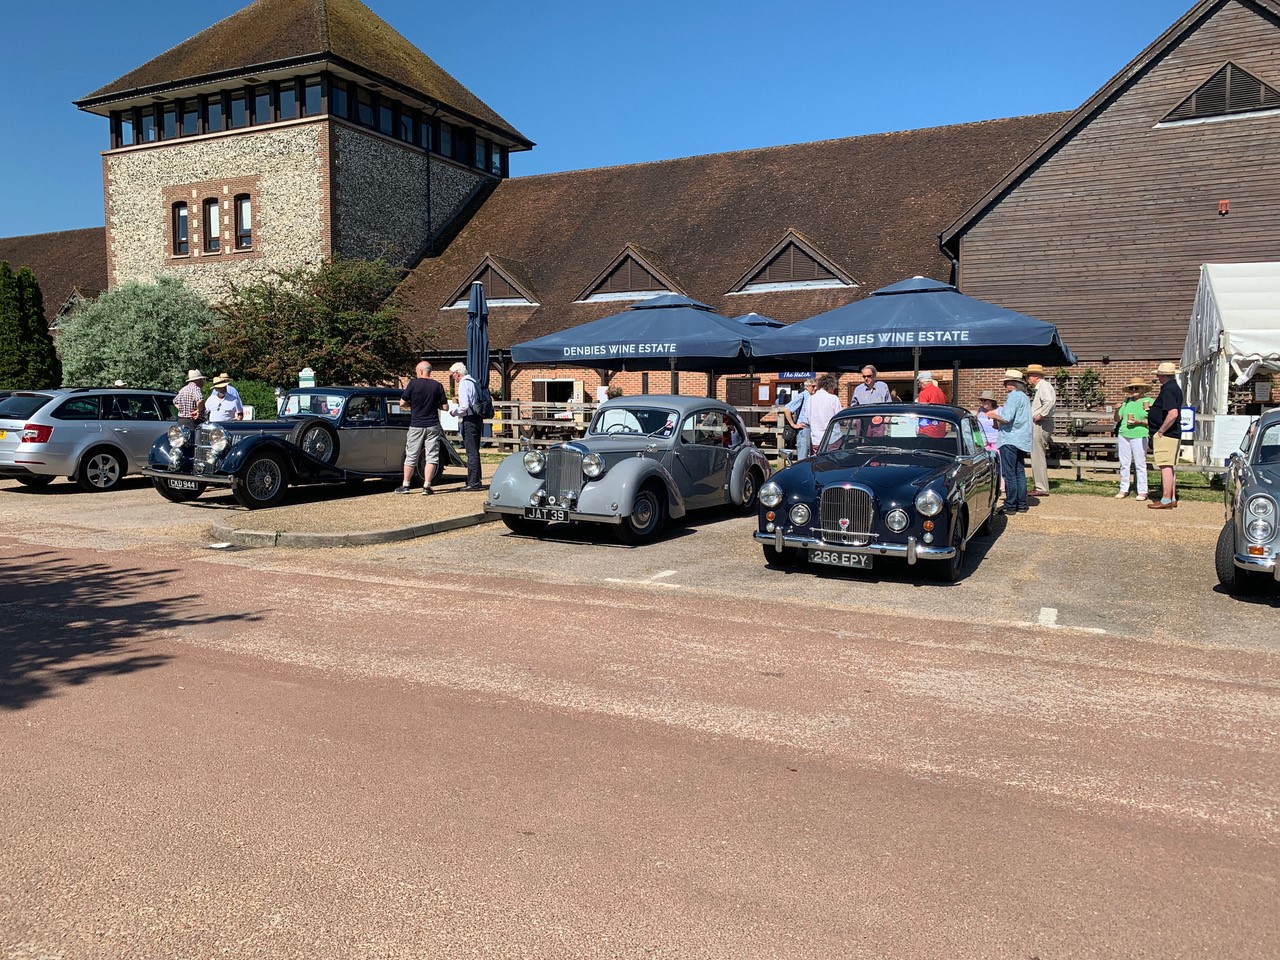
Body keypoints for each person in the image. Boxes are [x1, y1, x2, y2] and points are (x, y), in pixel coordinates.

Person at [397, 361, 447, 495]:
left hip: (416, 424)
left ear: (420, 371)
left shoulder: (413, 383)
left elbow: (402, 403)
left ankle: (406, 485)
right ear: (429, 371)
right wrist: (434, 404)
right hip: (432, 424)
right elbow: (445, 407)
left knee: (411, 455)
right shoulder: (438, 385)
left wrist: (413, 405)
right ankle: (427, 486)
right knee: (431, 456)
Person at [989, 369, 1032, 514]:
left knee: (1009, 473)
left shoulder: (1013, 397)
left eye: (1006, 382)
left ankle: (1010, 504)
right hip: (1022, 439)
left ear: (1012, 383)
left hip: (1010, 439)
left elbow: (1007, 418)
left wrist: (992, 415)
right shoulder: (1024, 397)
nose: (1004, 385)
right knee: (1019, 471)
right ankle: (1022, 503)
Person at [1147, 361, 1184, 509]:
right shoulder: (1174, 388)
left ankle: (1166, 498)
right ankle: (1171, 497)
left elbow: (1173, 413)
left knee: (1165, 466)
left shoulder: (1168, 390)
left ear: (1162, 375)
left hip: (1167, 434)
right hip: (1172, 433)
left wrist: (1161, 430)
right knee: (1168, 465)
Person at [1114, 377, 1153, 500]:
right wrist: (1116, 409)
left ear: (1143, 389)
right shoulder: (1126, 401)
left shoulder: (1149, 402)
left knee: (1140, 464)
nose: (1134, 390)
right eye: (1131, 388)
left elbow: (1153, 421)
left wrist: (1139, 422)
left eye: (1136, 388)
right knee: (1124, 463)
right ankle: (1123, 488)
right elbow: (1117, 419)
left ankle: (1142, 490)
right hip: (1124, 434)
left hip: (1140, 435)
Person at [449, 361, 485, 491]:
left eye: (453, 374)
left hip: (469, 419)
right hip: (477, 418)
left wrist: (454, 412)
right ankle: (476, 479)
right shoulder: (473, 382)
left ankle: (473, 482)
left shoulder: (464, 384)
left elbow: (464, 406)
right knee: (475, 450)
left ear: (457, 374)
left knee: (471, 451)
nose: (453, 377)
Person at [1025, 363, 1057, 497]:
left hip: (1041, 423)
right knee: (1037, 454)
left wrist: (1041, 414)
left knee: (1037, 454)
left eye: (1029, 376)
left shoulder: (1044, 386)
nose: (1027, 379)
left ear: (1035, 376)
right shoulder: (1041, 387)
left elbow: (1049, 402)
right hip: (1041, 422)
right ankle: (1040, 485)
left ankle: (1041, 487)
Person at [806, 374, 842, 453]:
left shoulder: (810, 399)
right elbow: (840, 417)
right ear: (830, 386)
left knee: (819, 463)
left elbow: (808, 419)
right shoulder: (833, 398)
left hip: (816, 439)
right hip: (833, 438)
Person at [786, 379, 816, 458]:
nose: (815, 388)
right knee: (803, 455)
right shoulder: (802, 396)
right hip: (804, 428)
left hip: (812, 428)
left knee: (812, 455)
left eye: (816, 386)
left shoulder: (813, 397)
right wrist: (793, 424)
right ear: (807, 387)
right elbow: (787, 409)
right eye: (813, 386)